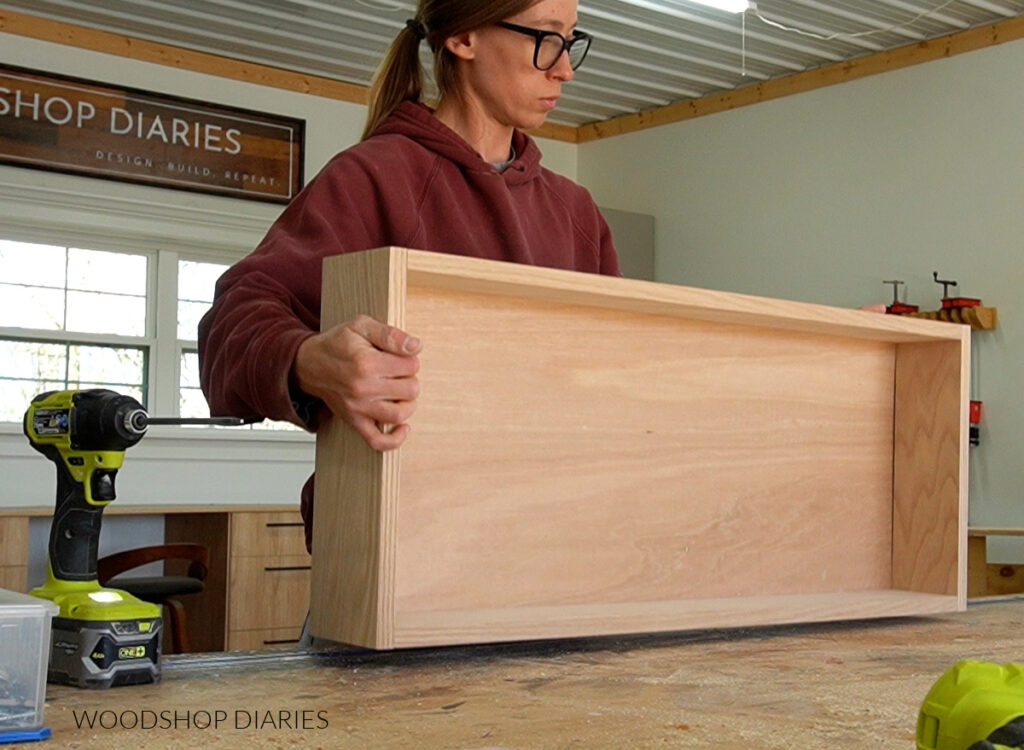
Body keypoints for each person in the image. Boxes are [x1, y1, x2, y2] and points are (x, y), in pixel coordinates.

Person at [198, 0, 622, 556]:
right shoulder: (369, 178)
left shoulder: (577, 213)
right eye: (545, 38)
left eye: (570, 42)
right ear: (464, 39)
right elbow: (230, 328)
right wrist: (307, 360)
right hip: (394, 555)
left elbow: (614, 383)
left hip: (551, 550)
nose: (564, 68)